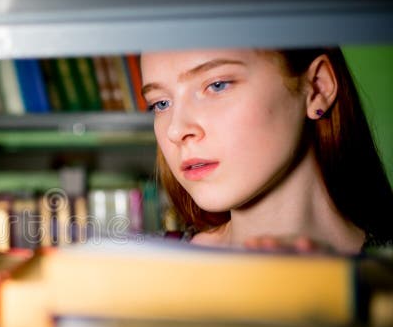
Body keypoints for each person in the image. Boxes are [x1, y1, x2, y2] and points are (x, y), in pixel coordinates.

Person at [140, 47, 393, 255]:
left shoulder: (382, 282)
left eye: (217, 85)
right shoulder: (144, 266)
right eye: (161, 103)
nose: (175, 130)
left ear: (317, 88)